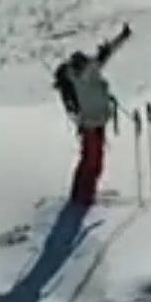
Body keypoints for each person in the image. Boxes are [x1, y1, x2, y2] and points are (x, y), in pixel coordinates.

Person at [56, 23, 132, 207]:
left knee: (88, 160)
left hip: (89, 123)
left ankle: (79, 194)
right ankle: (84, 198)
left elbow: (105, 54)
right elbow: (107, 53)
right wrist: (122, 37)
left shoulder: (74, 77)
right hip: (94, 123)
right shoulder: (90, 71)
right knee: (93, 162)